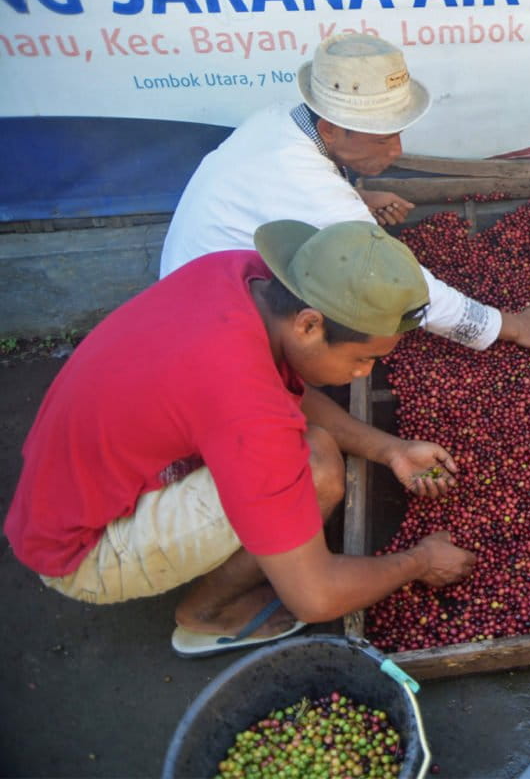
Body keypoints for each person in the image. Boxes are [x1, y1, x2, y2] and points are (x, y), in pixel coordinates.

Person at [5, 220, 478, 658]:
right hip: (80, 551)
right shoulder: (247, 412)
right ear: (310, 324)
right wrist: (418, 561)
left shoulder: (237, 275)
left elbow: (267, 385)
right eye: (362, 358)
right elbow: (316, 597)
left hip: (70, 486)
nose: (366, 372)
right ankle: (206, 615)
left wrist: (389, 449)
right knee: (316, 467)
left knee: (300, 447)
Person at [160, 32, 530, 354]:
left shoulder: (279, 122)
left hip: (207, 279)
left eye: (397, 134)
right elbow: (404, 287)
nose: (397, 150)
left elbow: (289, 198)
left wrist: (361, 199)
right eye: (381, 138)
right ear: (330, 127)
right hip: (209, 323)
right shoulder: (307, 184)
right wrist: (507, 326)